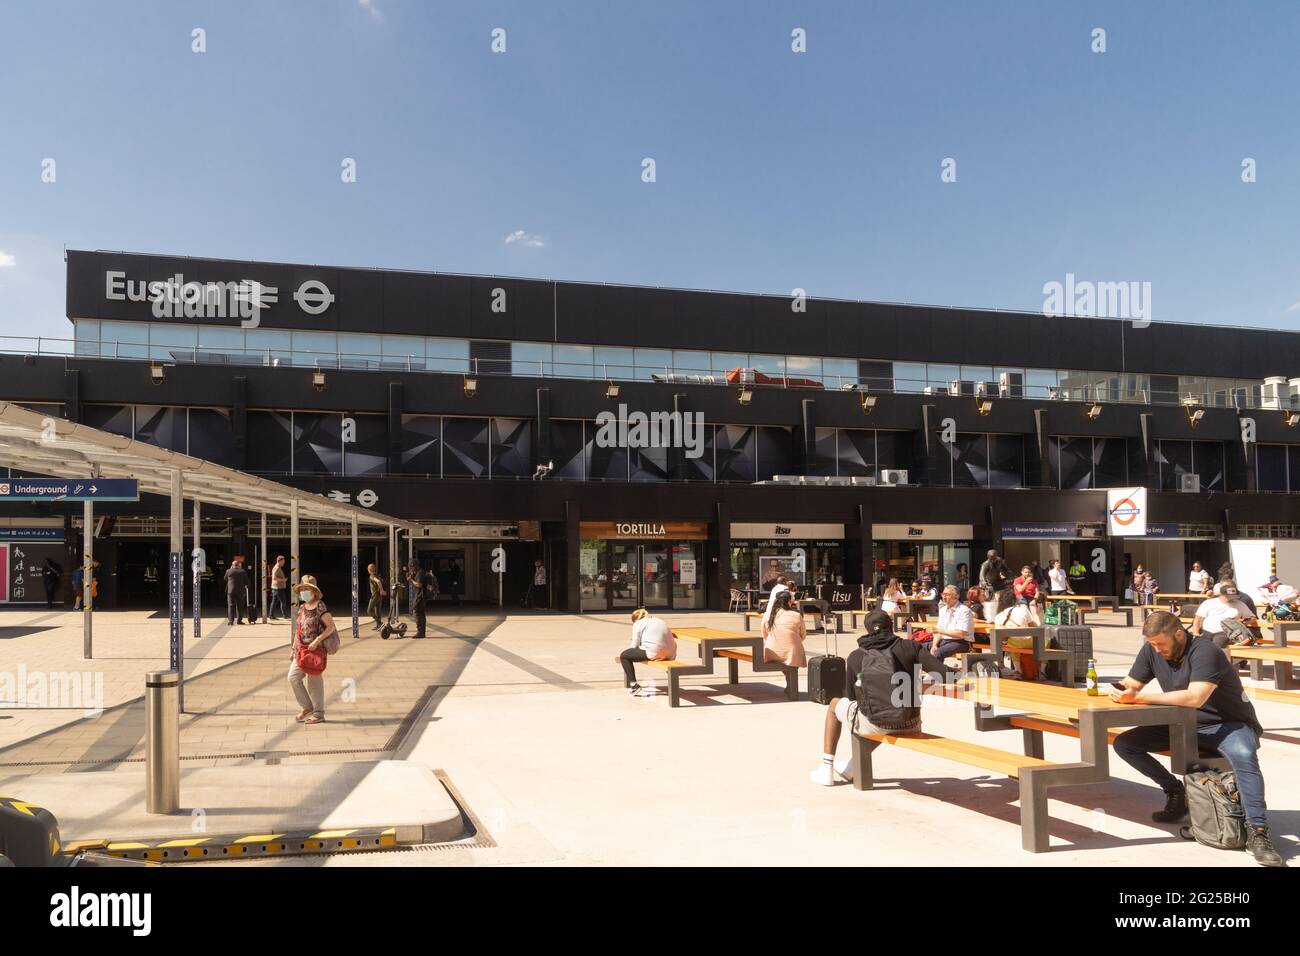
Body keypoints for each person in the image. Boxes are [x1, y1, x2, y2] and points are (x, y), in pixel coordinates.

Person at [1109, 611, 1282, 867]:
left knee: (1244, 757)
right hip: (1184, 723)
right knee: (1126, 744)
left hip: (1228, 724)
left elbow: (1194, 698)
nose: (1156, 649)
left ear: (1179, 634)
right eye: (1152, 644)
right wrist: (1120, 690)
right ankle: (1175, 792)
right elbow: (1131, 684)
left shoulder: (1206, 651)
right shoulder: (1152, 650)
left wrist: (1138, 698)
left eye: (1160, 644)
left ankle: (1258, 832)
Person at [810, 609, 954, 786]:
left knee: (836, 705)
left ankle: (827, 768)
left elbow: (852, 697)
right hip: (910, 723)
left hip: (874, 724)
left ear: (867, 630)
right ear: (891, 626)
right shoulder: (910, 647)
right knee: (889, 713)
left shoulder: (856, 656)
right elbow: (946, 675)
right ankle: (851, 766)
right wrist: (962, 671)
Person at [287, 575, 338, 724]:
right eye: (302, 589)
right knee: (293, 677)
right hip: (301, 650)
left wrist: (317, 640)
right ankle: (307, 707)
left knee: (314, 682)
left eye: (307, 589)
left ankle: (319, 713)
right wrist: (293, 649)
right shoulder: (302, 607)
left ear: (314, 591)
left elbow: (331, 627)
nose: (303, 592)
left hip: (316, 650)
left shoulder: (320, 606)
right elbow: (298, 630)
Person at [618, 608, 677, 695]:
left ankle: (634, 686)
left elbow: (634, 645)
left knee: (624, 656)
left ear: (635, 619)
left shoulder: (637, 624)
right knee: (652, 650)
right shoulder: (658, 620)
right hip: (671, 653)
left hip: (655, 652)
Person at [1190, 582, 1254, 654]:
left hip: (1224, 633)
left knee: (1215, 648)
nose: (1232, 599)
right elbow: (1198, 618)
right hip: (1205, 631)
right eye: (1229, 597)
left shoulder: (1240, 604)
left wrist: (1242, 623)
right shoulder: (1209, 603)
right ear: (1221, 595)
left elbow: (1252, 617)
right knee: (1198, 647)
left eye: (1234, 596)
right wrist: (1195, 633)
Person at [761, 589, 808, 667]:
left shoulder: (767, 615)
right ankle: (789, 674)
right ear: (790, 601)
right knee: (794, 649)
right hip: (792, 655)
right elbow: (803, 635)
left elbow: (764, 635)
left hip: (771, 653)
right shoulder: (796, 615)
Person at [929, 585, 975, 662]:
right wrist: (934, 645)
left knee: (938, 653)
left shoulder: (964, 611)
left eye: (947, 594)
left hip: (960, 642)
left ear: (956, 596)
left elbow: (960, 634)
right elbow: (938, 632)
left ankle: (937, 670)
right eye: (943, 594)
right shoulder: (943, 609)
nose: (944, 597)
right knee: (919, 648)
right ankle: (917, 669)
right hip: (944, 640)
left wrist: (939, 630)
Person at [224, 556, 250, 625]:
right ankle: (239, 621)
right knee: (239, 606)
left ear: (232, 565)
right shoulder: (242, 571)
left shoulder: (228, 571)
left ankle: (231, 621)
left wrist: (230, 569)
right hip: (240, 591)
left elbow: (225, 579)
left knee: (231, 606)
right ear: (239, 565)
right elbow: (247, 582)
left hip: (230, 591)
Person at [411, 563, 432, 638]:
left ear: (415, 566)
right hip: (423, 596)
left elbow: (419, 585)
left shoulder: (419, 573)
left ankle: (420, 632)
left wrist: (411, 580)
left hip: (420, 596)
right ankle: (422, 632)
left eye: (411, 567)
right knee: (422, 614)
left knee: (416, 612)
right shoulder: (422, 572)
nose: (411, 569)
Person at [269, 555, 289, 620]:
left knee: (274, 602)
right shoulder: (276, 568)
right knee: (283, 601)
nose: (284, 563)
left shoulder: (278, 567)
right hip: (278, 587)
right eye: (283, 561)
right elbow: (274, 578)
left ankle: (271, 615)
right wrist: (283, 580)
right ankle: (285, 615)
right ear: (279, 561)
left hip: (276, 587)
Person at [366, 563, 386, 629]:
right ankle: (378, 626)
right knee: (377, 611)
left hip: (375, 596)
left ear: (369, 570)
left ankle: (379, 623)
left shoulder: (372, 576)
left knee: (369, 611)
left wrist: (381, 590)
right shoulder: (377, 575)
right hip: (379, 596)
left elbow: (378, 581)